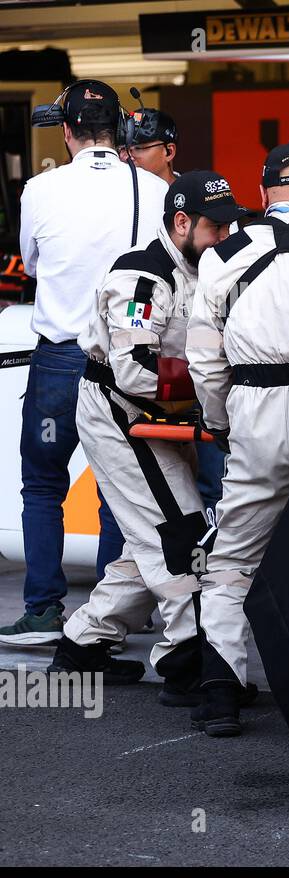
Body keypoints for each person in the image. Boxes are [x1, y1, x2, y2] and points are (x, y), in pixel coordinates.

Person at [46, 171, 245, 686]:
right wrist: (212, 386)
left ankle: (83, 643)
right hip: (119, 412)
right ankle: (187, 656)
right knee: (177, 532)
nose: (226, 236)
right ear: (182, 222)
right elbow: (135, 372)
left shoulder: (206, 266)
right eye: (215, 227)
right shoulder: (140, 274)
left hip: (162, 415)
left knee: (150, 536)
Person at [2, 79, 167, 646]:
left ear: (66, 130)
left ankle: (44, 610)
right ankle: (112, 613)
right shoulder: (150, 188)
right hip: (125, 358)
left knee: (43, 483)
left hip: (59, 356)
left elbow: (31, 260)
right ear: (121, 130)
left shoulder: (40, 190)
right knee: (115, 488)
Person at [185, 144, 289, 736]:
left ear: (263, 190)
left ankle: (220, 685)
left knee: (235, 553)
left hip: (256, 406)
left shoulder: (224, 251)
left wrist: (222, 420)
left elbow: (203, 357)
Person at [120, 107, 178, 185]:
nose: (124, 157)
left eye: (138, 148)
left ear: (169, 152)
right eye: (122, 149)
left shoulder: (192, 194)